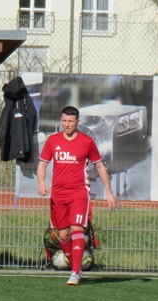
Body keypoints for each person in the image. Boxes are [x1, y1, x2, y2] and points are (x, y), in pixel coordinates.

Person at [37, 106, 116, 286]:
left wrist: (109, 193)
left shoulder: (86, 142)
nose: (67, 125)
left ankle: (74, 272)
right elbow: (42, 164)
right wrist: (41, 183)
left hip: (79, 193)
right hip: (58, 194)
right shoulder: (53, 141)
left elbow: (100, 167)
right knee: (63, 234)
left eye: (71, 121)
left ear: (77, 122)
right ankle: (76, 267)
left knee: (77, 229)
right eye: (64, 121)